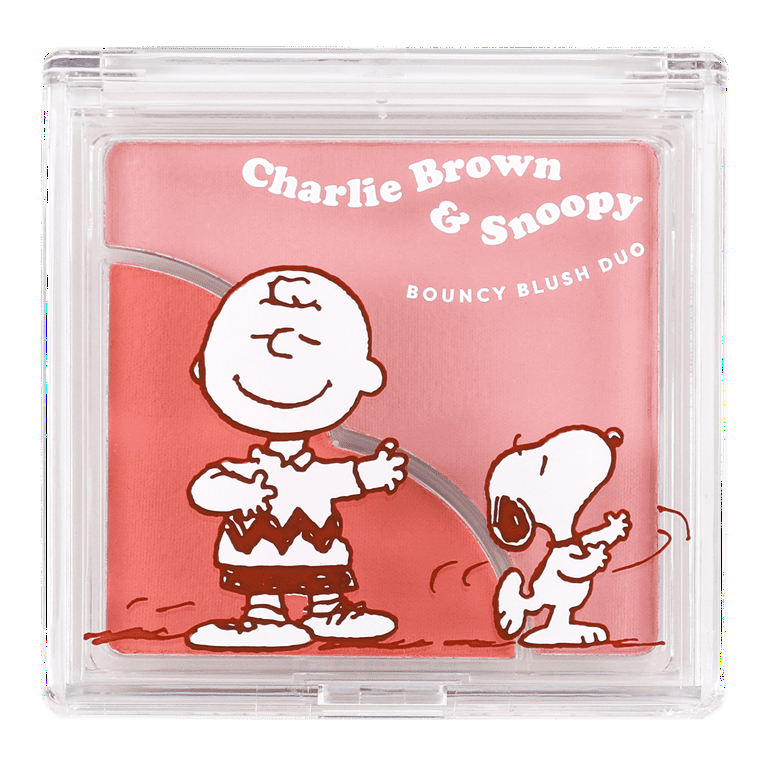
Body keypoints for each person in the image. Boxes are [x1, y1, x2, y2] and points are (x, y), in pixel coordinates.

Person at [186, 266, 408, 650]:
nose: (284, 348)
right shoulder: (249, 472)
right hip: (257, 545)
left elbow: (342, 478)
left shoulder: (315, 472)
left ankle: (327, 611)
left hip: (315, 542)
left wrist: (373, 473)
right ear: (204, 368)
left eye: (309, 341)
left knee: (323, 574)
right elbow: (206, 490)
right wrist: (241, 494)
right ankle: (264, 617)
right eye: (261, 340)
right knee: (263, 582)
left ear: (364, 376)